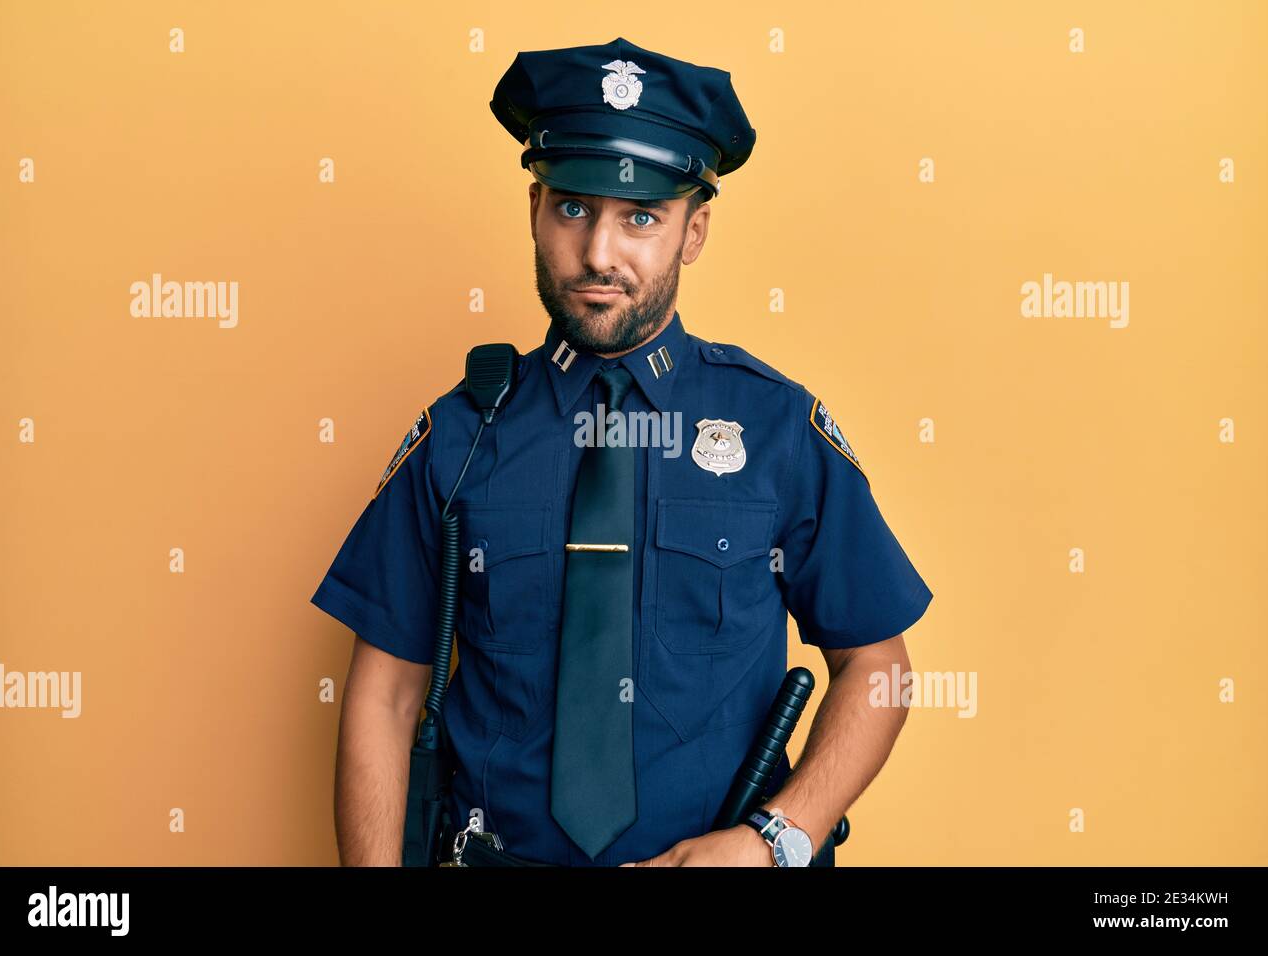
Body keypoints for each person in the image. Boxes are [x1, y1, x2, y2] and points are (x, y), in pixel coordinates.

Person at [310, 36, 934, 867]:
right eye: (574, 207)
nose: (600, 253)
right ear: (534, 208)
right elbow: (384, 696)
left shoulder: (777, 428)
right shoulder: (461, 434)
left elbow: (878, 667)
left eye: (641, 216)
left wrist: (774, 841)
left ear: (694, 231)